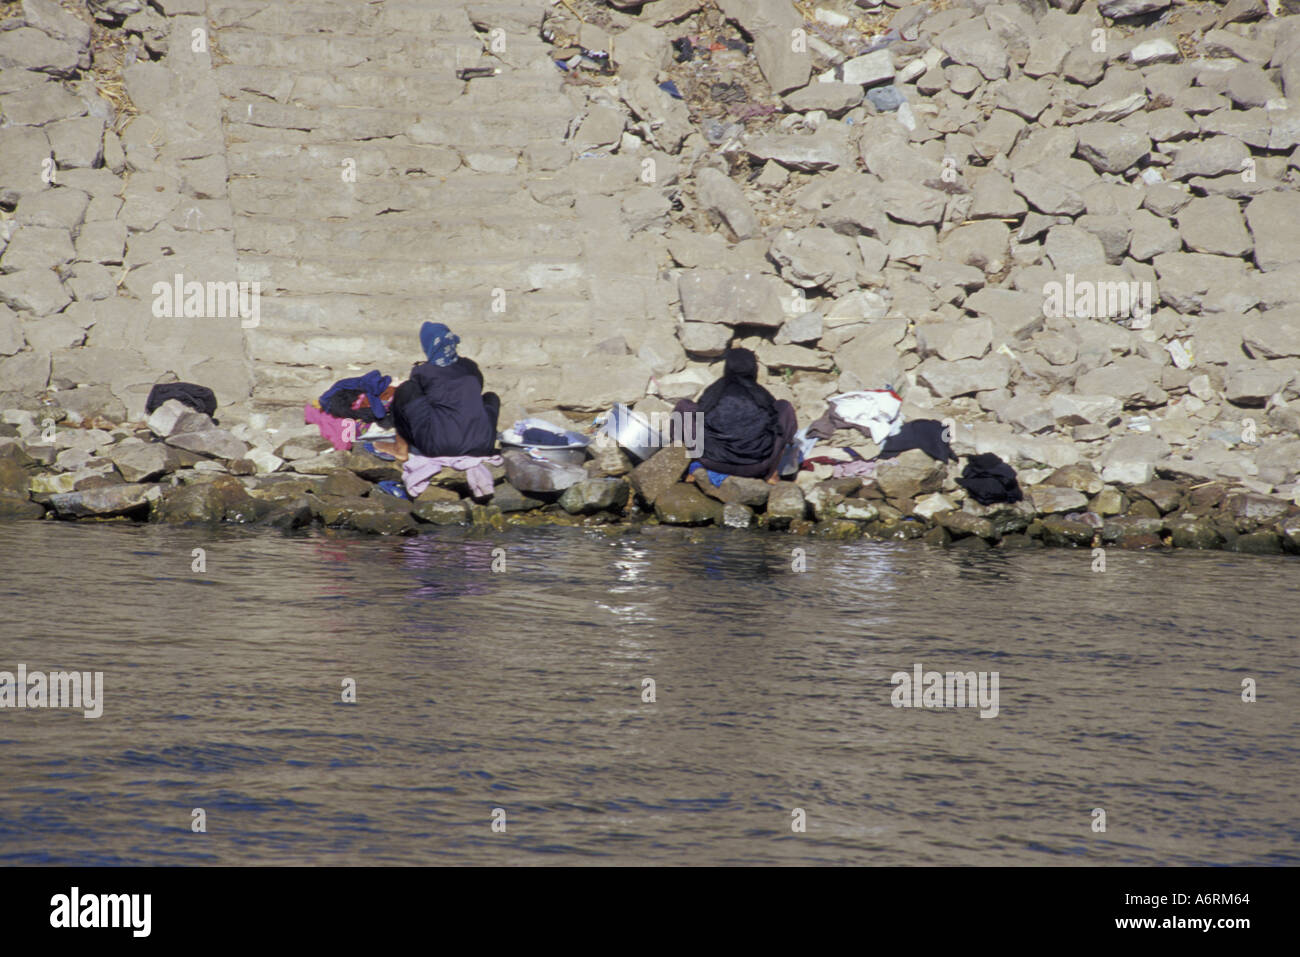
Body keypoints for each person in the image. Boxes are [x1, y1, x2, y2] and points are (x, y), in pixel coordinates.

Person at [368, 322, 500, 463]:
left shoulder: (422, 371)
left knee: (405, 390)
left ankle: (400, 448)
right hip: (482, 446)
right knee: (490, 397)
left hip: (439, 446)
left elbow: (413, 406)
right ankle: (479, 439)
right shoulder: (471, 367)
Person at [672, 347, 797, 484]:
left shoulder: (716, 390)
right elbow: (775, 425)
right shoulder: (761, 395)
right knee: (784, 408)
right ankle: (771, 473)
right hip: (755, 466)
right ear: (754, 369)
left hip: (711, 461)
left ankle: (689, 467)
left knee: (684, 406)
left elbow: (699, 415)